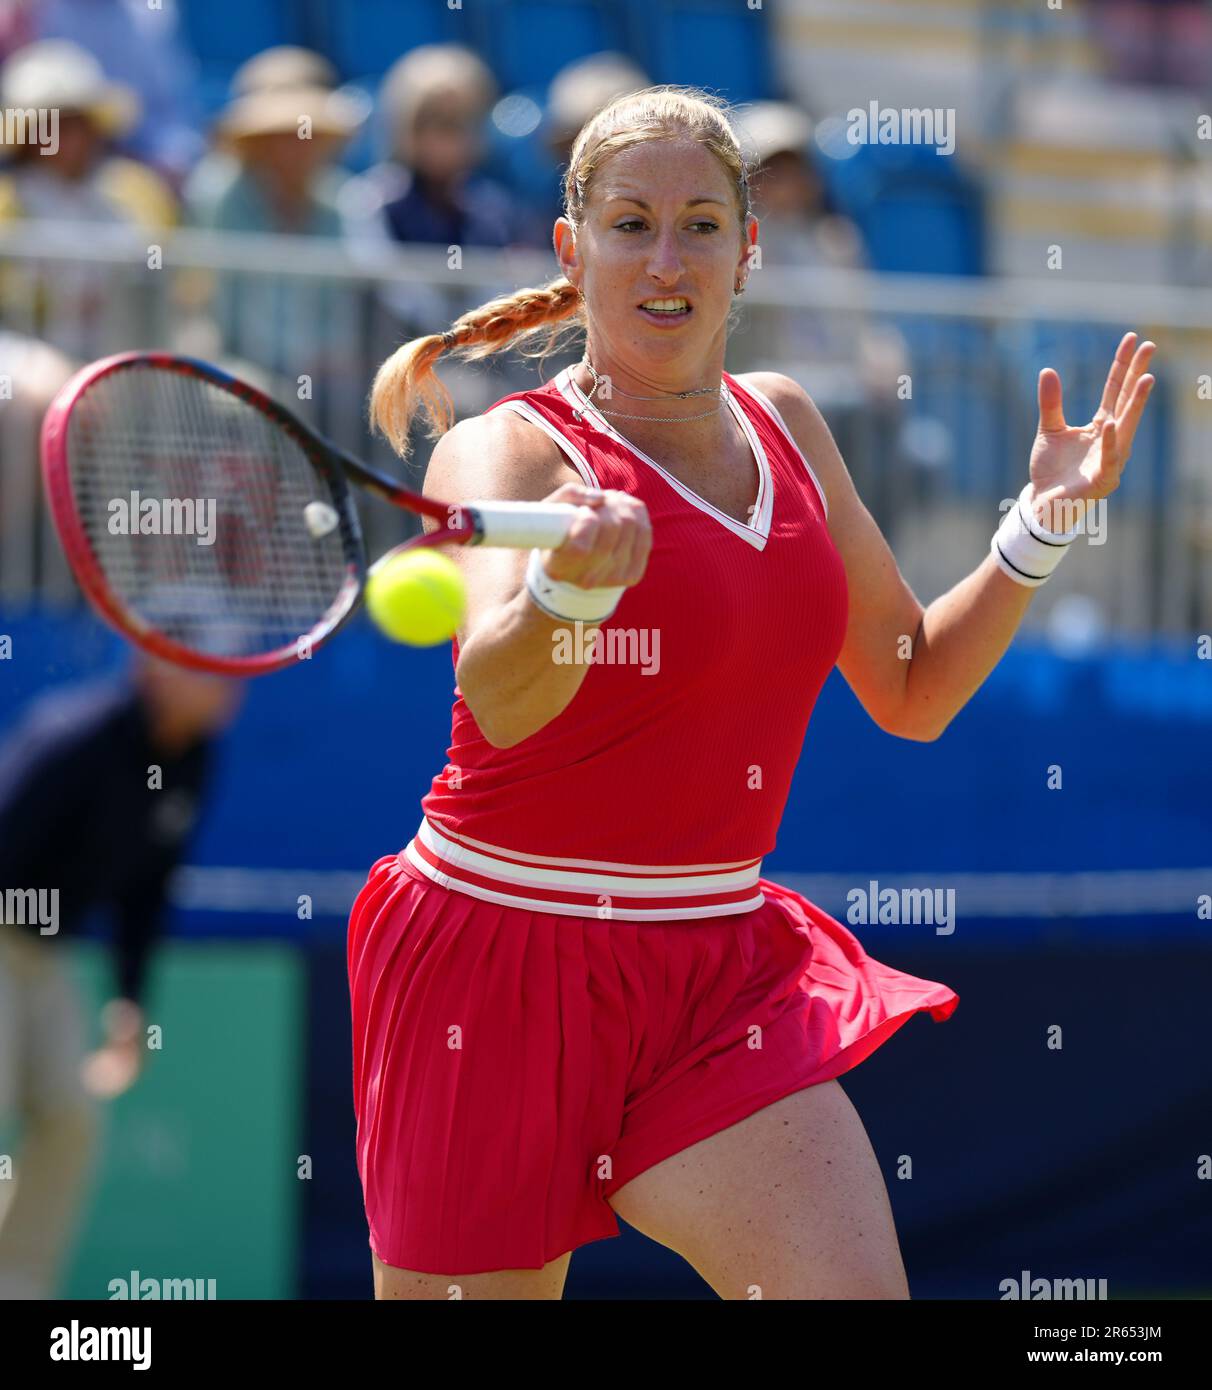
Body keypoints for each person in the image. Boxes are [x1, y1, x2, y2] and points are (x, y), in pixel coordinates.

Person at [349, 86, 1156, 1300]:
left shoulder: (787, 423)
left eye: (701, 226)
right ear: (572, 247)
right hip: (494, 965)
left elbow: (911, 685)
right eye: (631, 225)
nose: (666, 262)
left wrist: (1039, 526)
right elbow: (502, 698)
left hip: (716, 976)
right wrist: (569, 596)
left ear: (749, 248)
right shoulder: (503, 451)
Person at [0, 654, 241, 1298]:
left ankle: (17, 1286)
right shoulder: (72, 739)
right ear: (152, 672)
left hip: (49, 954)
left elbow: (147, 892)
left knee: (69, 1119)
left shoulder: (195, 758)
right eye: (206, 668)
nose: (227, 684)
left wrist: (130, 1000)